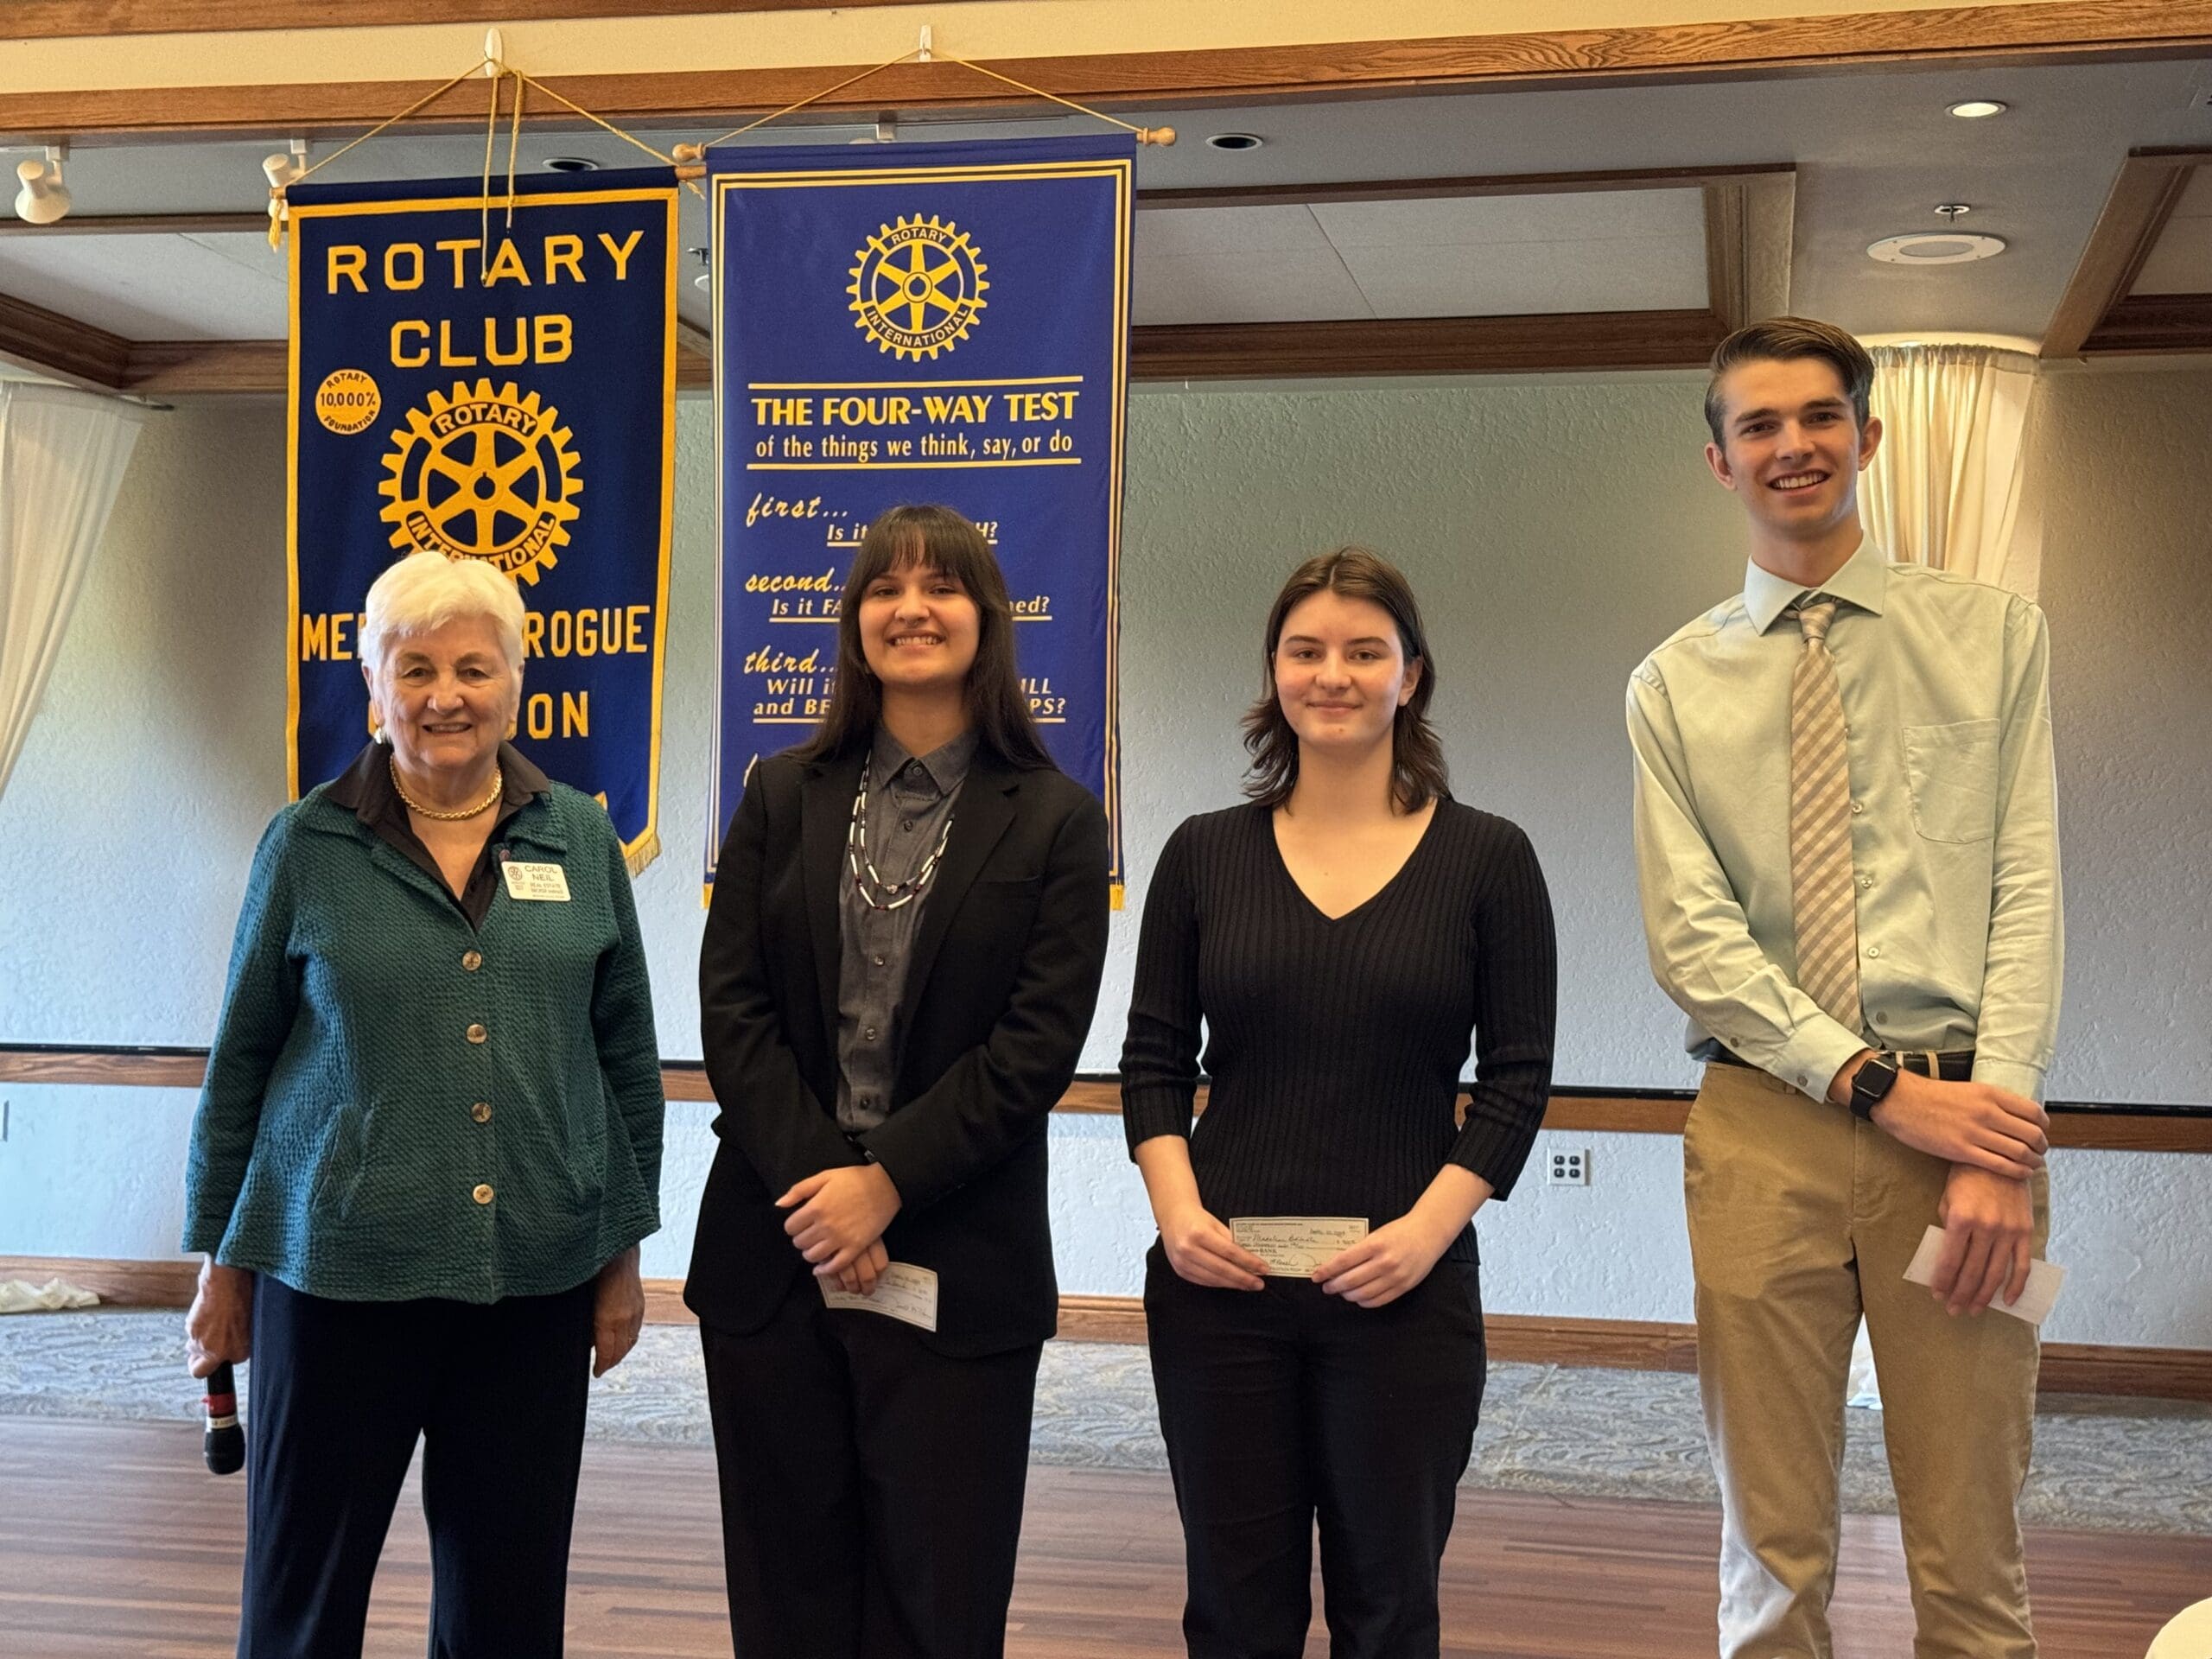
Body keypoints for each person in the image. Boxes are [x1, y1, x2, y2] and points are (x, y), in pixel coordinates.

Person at [1627, 317, 2060, 1657]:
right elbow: (1695, 942)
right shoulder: (1671, 685)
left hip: (1969, 1138)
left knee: (1972, 1552)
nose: (1792, 445)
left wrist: (1993, 1138)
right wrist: (1870, 1086)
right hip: (1765, 1132)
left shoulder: (1993, 638)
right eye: (1758, 425)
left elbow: (2026, 893)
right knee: (1771, 1549)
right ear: (1720, 461)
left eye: (1819, 418)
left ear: (1866, 439)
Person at [181, 549, 665, 1657]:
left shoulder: (578, 839)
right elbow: (242, 1061)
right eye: (416, 667)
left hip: (535, 1275)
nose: (446, 693)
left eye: (474, 667)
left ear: (516, 685)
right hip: (336, 1272)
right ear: (374, 689)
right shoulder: (306, 842)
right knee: (304, 1599)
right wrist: (219, 1264)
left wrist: (622, 1261)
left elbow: (625, 1062)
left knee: (506, 1603)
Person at [686, 503, 1111, 1659]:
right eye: (884, 588)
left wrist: (882, 1186)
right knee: (787, 1597)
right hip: (773, 1256)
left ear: (987, 621)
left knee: (943, 1598)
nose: (911, 608)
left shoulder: (1062, 823)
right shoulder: (780, 793)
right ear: (854, 622)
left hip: (958, 1260)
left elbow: (1035, 1046)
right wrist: (829, 1181)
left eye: (941, 587)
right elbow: (733, 1009)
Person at [1122, 548, 1557, 1659]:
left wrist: (1424, 1235)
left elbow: (1514, 1081)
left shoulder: (1489, 859)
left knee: (1389, 1604)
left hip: (1402, 1295)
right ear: (1273, 676)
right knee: (1233, 1605)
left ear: (1411, 675)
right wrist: (1176, 1220)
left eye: (1365, 651)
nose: (1334, 674)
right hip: (1220, 1288)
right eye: (1305, 651)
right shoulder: (1203, 854)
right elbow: (1154, 1063)